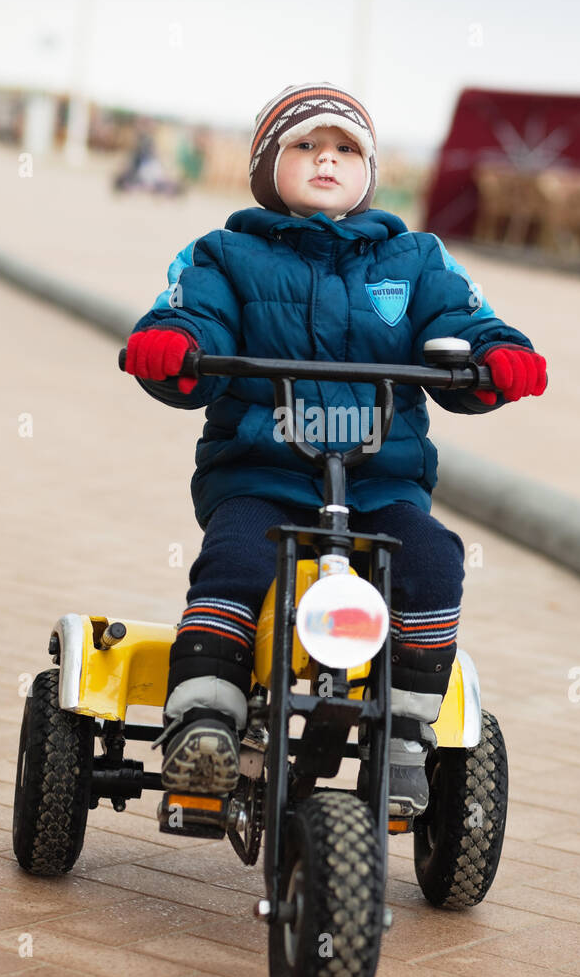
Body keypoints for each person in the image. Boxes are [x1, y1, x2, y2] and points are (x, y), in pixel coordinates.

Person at [124, 82, 547, 820]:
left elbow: (462, 318)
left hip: (381, 485)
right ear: (266, 168)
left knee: (430, 561)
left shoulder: (412, 260)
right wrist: (177, 347)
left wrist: (495, 357)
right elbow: (197, 317)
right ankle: (205, 723)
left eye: (345, 149)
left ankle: (406, 739)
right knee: (237, 562)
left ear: (368, 170)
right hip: (263, 473)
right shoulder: (225, 255)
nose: (326, 160)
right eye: (305, 146)